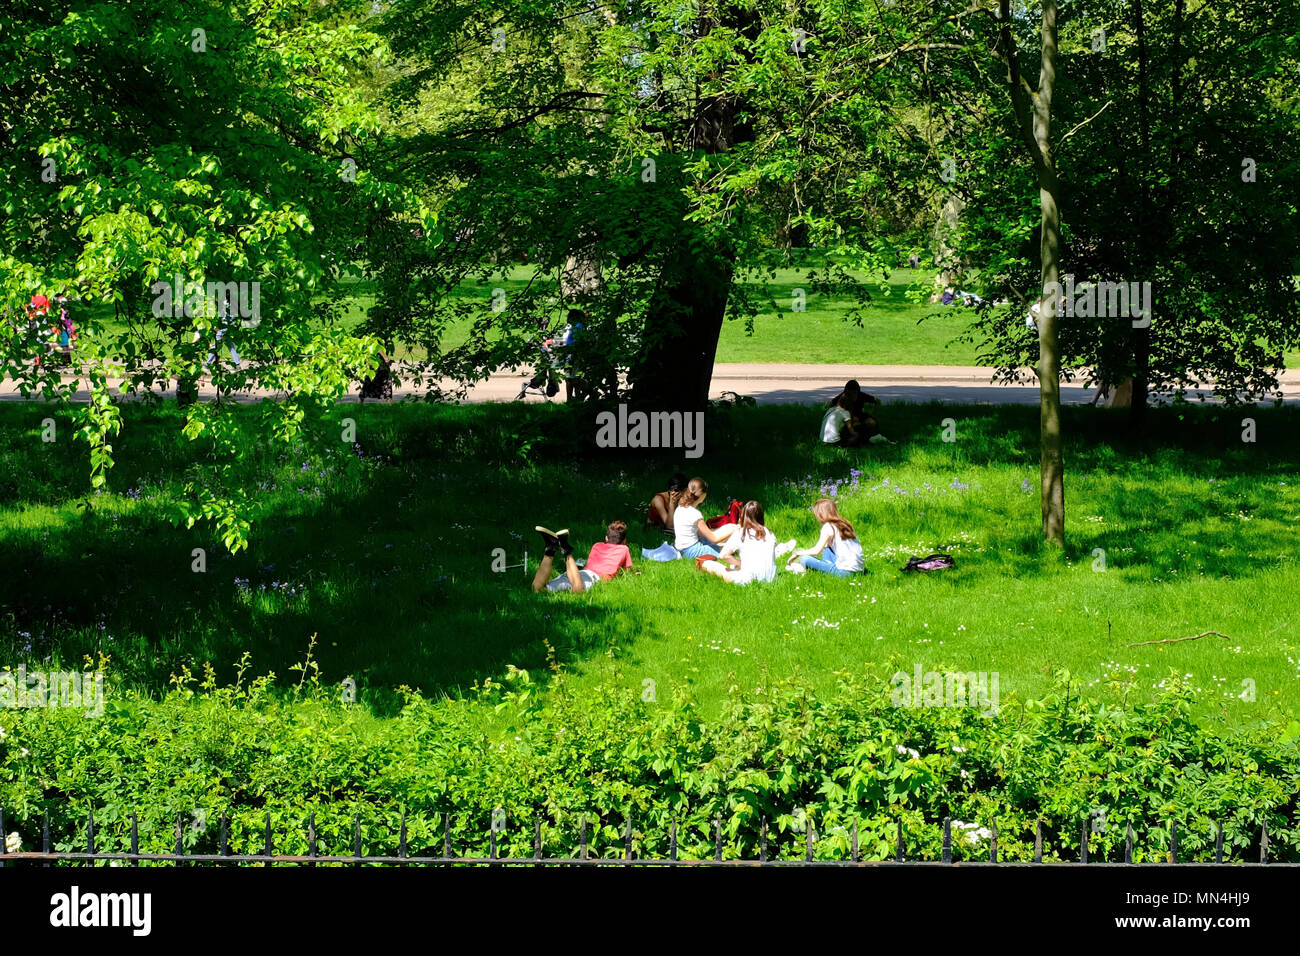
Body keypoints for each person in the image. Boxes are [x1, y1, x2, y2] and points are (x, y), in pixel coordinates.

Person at [532, 521, 637, 593]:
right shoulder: (624, 549)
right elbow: (626, 572)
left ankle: (550, 550)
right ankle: (566, 549)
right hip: (591, 578)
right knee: (578, 591)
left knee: (538, 589)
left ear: (606, 538)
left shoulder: (597, 545)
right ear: (624, 541)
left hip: (578, 573)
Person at [698, 501, 778, 585]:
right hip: (771, 579)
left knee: (709, 564)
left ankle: (703, 565)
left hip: (749, 580)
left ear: (743, 517)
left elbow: (723, 555)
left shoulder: (741, 532)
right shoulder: (770, 533)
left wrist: (738, 563)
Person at [786, 498, 865, 577]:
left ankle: (820, 569)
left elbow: (816, 551)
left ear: (820, 514)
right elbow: (825, 546)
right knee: (826, 548)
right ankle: (825, 568)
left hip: (845, 573)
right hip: (860, 570)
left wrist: (798, 553)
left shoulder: (828, 526)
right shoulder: (845, 523)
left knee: (804, 559)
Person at [672, 478, 737, 559]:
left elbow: (701, 534)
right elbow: (714, 539)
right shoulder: (695, 514)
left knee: (721, 544)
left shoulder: (680, 507)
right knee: (728, 552)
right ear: (703, 495)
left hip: (680, 548)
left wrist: (723, 530)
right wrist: (734, 529)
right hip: (691, 550)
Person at [821, 380, 880, 446]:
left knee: (871, 422)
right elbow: (829, 404)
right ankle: (863, 437)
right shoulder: (843, 397)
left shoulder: (862, 395)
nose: (853, 396)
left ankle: (868, 435)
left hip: (858, 416)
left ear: (858, 392)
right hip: (846, 419)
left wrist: (872, 413)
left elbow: (877, 400)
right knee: (853, 428)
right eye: (851, 393)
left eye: (855, 393)